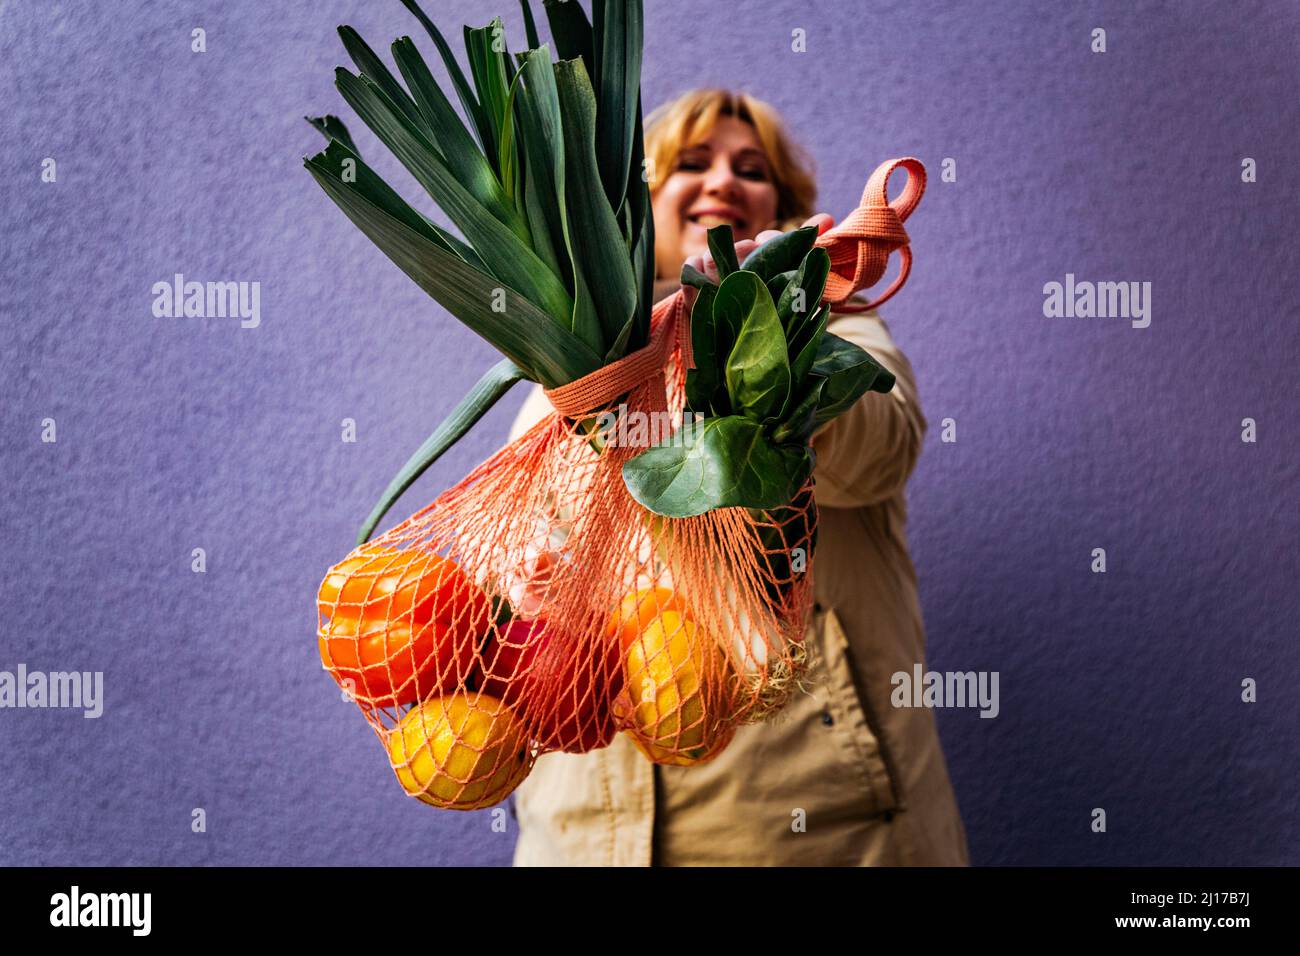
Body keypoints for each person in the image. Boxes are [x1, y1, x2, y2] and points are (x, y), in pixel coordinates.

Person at [505, 88, 970, 866]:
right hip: (583, 827)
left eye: (751, 170)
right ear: (631, 212)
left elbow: (880, 451)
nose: (723, 181)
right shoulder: (560, 378)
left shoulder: (838, 323)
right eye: (691, 164)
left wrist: (759, 331)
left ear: (782, 215)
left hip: (814, 824)